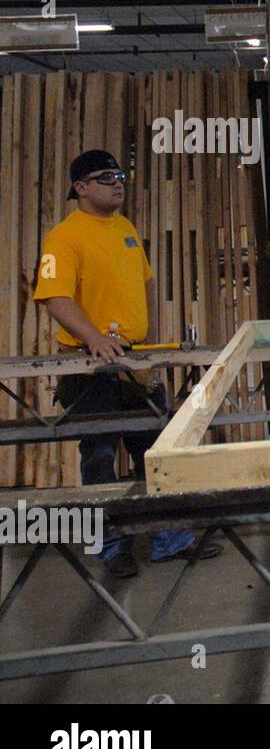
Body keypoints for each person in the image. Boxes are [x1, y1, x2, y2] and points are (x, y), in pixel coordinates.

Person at [33, 150, 222, 578]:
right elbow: (55, 298)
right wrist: (95, 338)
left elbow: (145, 282)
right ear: (80, 187)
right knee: (99, 454)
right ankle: (110, 545)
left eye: (120, 175)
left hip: (133, 360)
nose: (118, 182)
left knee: (153, 449)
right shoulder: (65, 237)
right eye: (106, 177)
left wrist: (141, 337)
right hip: (89, 364)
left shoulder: (126, 229)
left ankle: (166, 538)